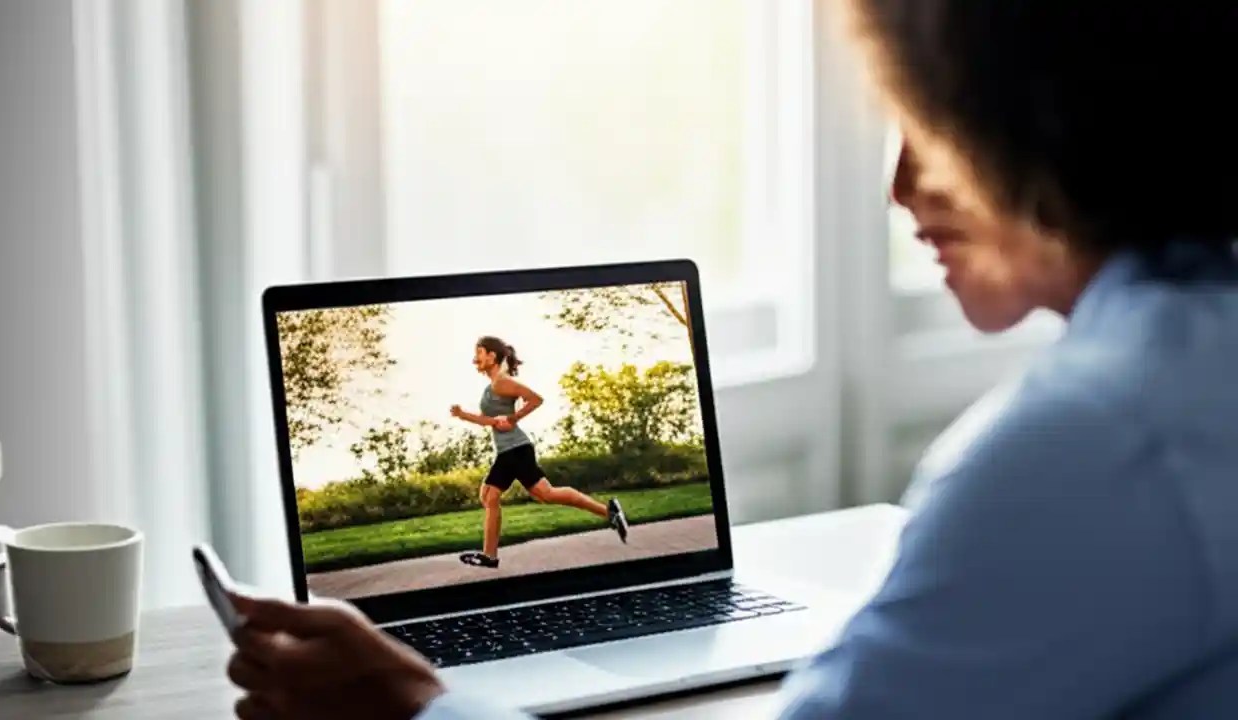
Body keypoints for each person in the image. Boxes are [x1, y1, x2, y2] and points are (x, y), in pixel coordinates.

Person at [223, 2, 1238, 718]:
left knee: (536, 495)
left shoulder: (1097, 445)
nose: (896, 187)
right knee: (518, 503)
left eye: (928, 123)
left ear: (1044, 119)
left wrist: (411, 703)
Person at [448, 336, 629, 569]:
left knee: (491, 496)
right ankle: (609, 512)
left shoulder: (502, 382)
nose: (476, 358)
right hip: (511, 450)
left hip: (515, 449)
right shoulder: (492, 386)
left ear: (492, 356)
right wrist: (463, 415)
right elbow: (491, 421)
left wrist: (514, 418)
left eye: (480, 352)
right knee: (543, 494)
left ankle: (490, 556)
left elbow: (535, 399)